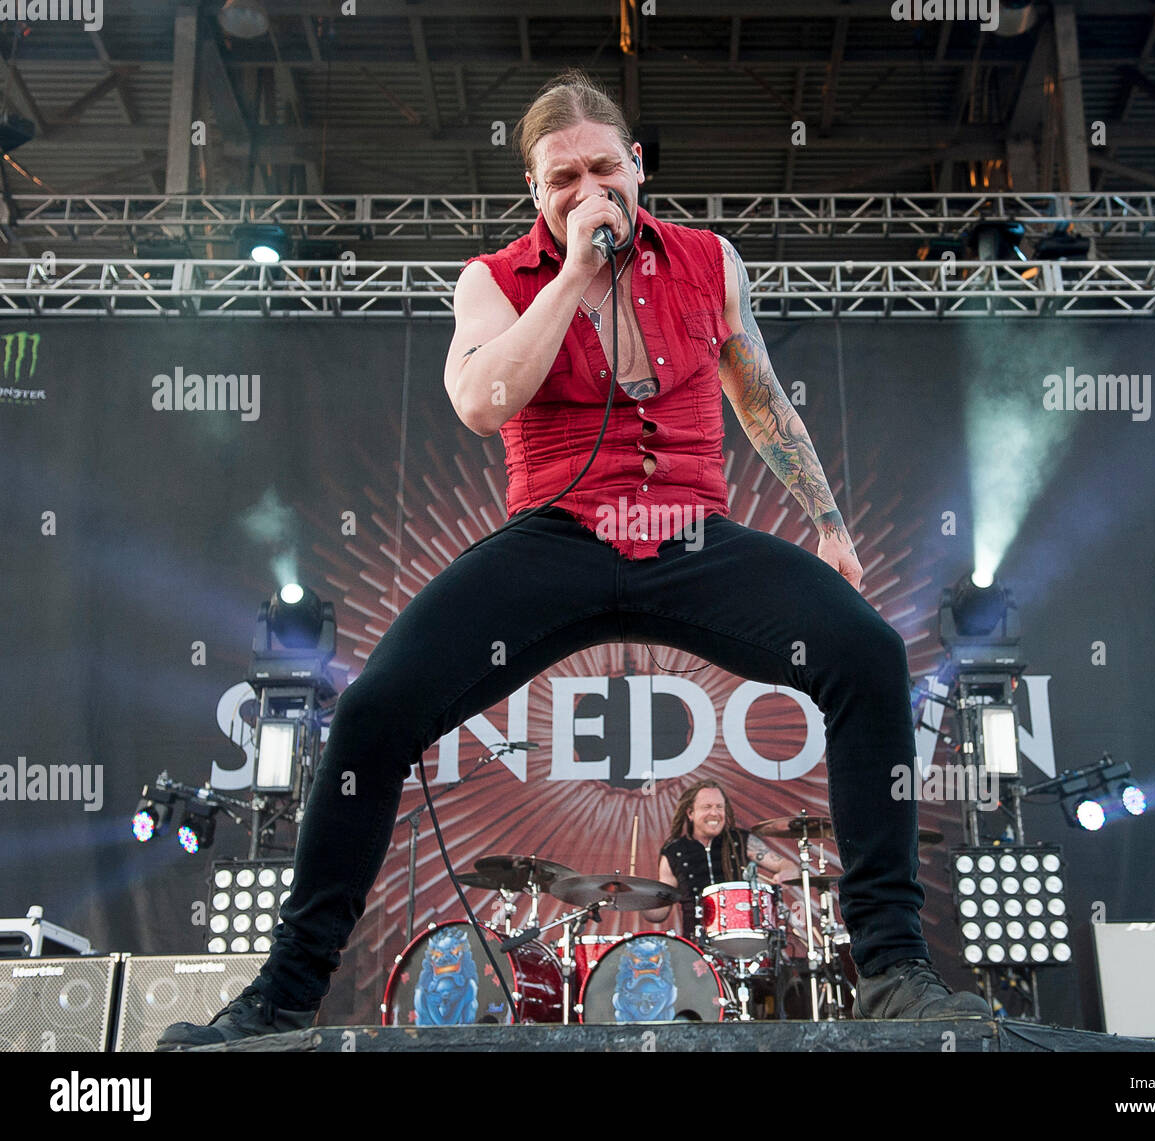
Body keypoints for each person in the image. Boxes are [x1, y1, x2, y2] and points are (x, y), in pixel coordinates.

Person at [158, 69, 987, 1047]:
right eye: (561, 178)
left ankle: (890, 971)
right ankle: (285, 992)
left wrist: (831, 525)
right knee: (377, 711)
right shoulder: (496, 279)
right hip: (557, 531)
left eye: (603, 167)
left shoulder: (709, 261)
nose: (585, 188)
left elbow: (760, 398)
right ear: (536, 193)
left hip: (687, 534)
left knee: (867, 654)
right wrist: (573, 276)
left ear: (637, 167)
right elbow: (483, 401)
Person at [641, 779, 797, 932]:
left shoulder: (741, 840)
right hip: (696, 944)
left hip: (742, 934)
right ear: (690, 813)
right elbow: (659, 913)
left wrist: (788, 872)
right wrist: (636, 897)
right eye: (707, 807)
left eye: (719, 807)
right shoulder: (674, 852)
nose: (714, 813)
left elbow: (786, 865)